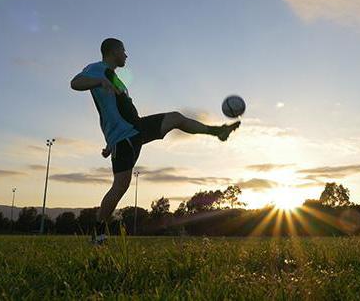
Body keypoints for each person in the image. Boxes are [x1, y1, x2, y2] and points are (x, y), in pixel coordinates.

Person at [70, 38, 240, 244]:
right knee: (120, 185)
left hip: (136, 129)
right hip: (124, 136)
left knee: (176, 118)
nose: (126, 55)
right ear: (113, 51)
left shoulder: (116, 78)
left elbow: (113, 109)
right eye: (123, 51)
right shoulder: (97, 69)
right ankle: (97, 234)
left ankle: (217, 132)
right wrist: (99, 82)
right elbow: (75, 83)